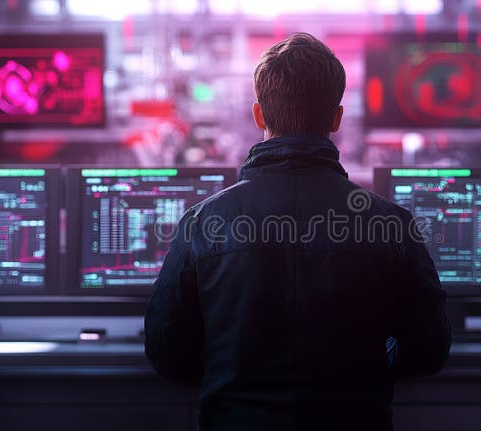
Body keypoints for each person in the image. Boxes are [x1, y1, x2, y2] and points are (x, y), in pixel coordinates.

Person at [145, 32, 451, 431]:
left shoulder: (204, 223)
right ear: (336, 119)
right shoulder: (391, 224)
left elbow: (167, 352)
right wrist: (376, 360)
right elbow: (428, 351)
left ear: (259, 116)